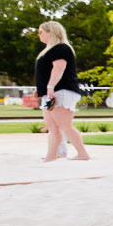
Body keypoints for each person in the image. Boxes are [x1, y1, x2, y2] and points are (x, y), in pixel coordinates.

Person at [34, 21, 89, 162]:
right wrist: (40, 89)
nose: (39, 35)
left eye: (41, 32)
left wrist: (51, 86)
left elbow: (59, 68)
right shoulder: (48, 50)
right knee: (52, 126)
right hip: (50, 92)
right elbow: (45, 73)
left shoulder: (61, 48)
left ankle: (82, 153)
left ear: (50, 32)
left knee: (65, 124)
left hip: (62, 90)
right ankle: (51, 156)